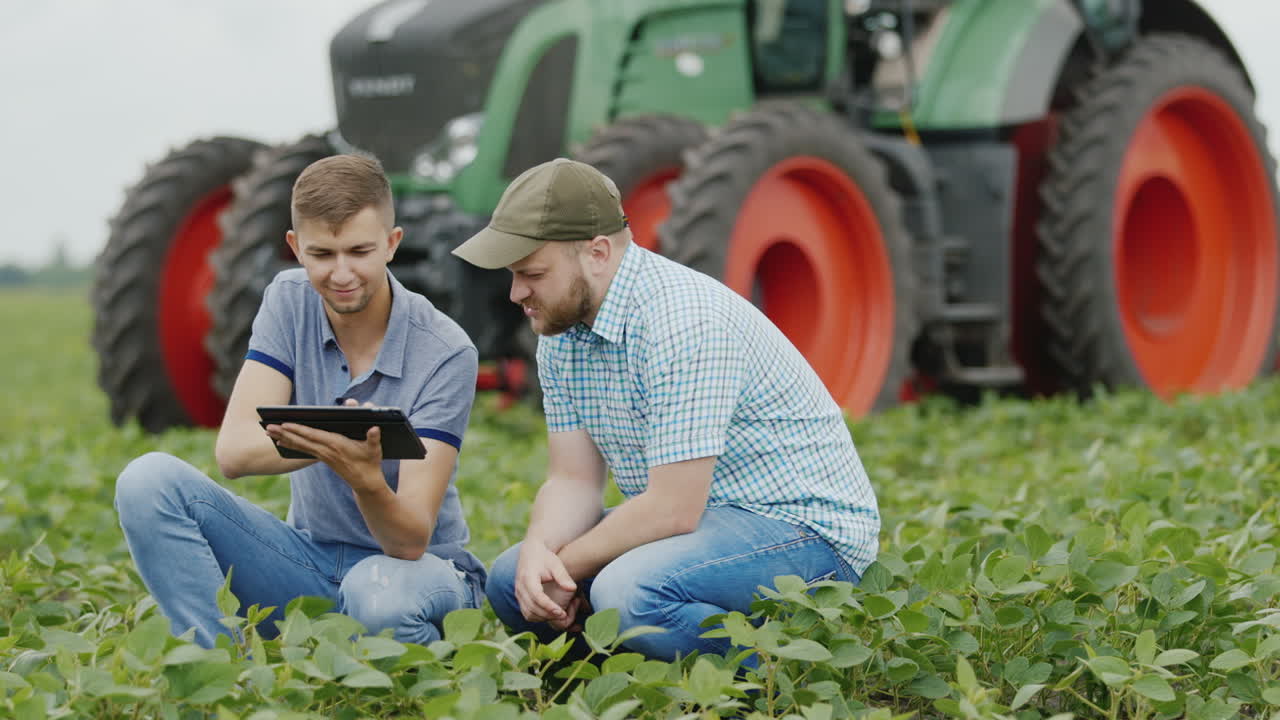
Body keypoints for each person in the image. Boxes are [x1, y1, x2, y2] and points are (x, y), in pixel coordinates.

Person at [452, 157, 880, 662]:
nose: (517, 292)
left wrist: (565, 565)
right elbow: (572, 479)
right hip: (702, 528)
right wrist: (541, 551)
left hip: (802, 532)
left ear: (597, 252)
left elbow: (672, 509)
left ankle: (777, 672)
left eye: (533, 273)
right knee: (511, 582)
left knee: (627, 593)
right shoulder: (561, 329)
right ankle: (624, 685)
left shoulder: (684, 321)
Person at [114, 154, 485, 648]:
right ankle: (221, 673)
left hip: (414, 573)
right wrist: (338, 440)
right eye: (322, 254)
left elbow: (410, 538)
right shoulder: (289, 300)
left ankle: (369, 652)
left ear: (392, 244)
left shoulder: (444, 350)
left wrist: (365, 478)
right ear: (295, 247)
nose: (342, 273)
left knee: (380, 599)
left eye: (359, 250)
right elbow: (235, 452)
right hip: (307, 562)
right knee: (146, 482)